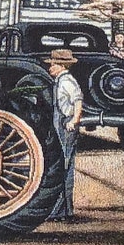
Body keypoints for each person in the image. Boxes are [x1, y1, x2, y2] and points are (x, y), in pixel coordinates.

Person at [45, 48, 83, 220]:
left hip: (66, 125)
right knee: (62, 165)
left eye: (53, 64)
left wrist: (74, 120)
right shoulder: (60, 80)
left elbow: (78, 101)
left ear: (62, 66)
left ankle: (62, 211)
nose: (50, 68)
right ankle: (63, 210)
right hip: (61, 123)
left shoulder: (67, 81)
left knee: (64, 166)